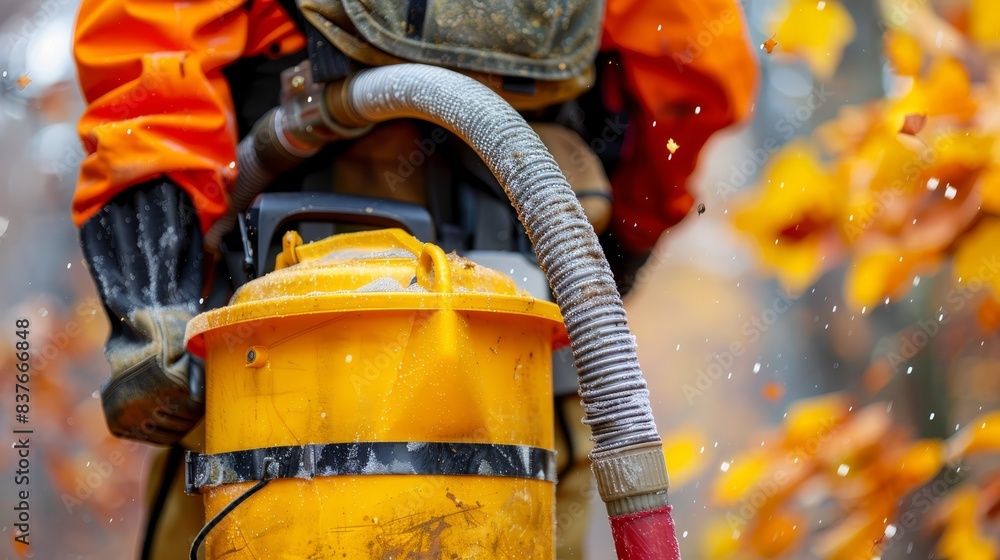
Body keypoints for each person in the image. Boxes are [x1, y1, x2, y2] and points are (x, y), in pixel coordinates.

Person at [72, 0, 757, 557]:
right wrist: (614, 246)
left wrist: (154, 289)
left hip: (284, 318)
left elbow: (149, 57)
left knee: (253, 516)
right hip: (520, 312)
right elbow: (696, 75)